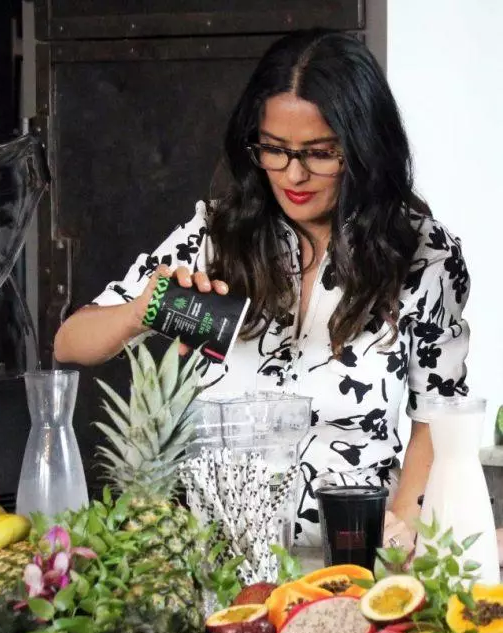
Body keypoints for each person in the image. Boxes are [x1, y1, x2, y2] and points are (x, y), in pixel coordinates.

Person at [54, 29, 470, 551]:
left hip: (349, 557)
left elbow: (439, 414)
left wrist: (405, 524)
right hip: (214, 558)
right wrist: (143, 310)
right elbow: (69, 342)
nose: (294, 175)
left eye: (321, 154)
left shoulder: (421, 254)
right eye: (274, 150)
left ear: (365, 149)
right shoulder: (216, 238)